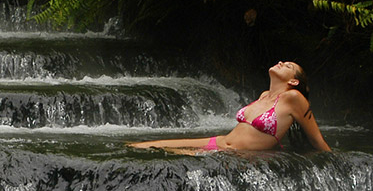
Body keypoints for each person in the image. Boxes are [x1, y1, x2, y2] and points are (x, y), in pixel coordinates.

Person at [129, 61, 331, 153]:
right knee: (143, 146)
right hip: (219, 143)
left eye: (288, 66)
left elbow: (316, 139)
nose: (280, 62)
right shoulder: (263, 96)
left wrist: (334, 162)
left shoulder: (294, 98)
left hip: (233, 153)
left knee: (165, 154)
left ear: (294, 82)